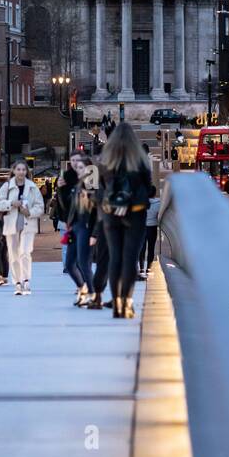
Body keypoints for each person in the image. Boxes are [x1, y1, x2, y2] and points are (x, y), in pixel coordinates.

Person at [98, 122, 155, 319]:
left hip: (111, 213)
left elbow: (101, 189)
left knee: (115, 257)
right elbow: (149, 187)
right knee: (130, 258)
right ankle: (127, 303)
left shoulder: (105, 160)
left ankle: (116, 304)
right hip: (136, 212)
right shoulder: (141, 160)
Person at [0, 160, 45, 295]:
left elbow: (40, 206)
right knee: (13, 254)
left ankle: (26, 280)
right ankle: (17, 282)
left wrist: (30, 212)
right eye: (18, 169)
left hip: (28, 224)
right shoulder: (7, 186)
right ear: (14, 171)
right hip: (12, 224)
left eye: (23, 170)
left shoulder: (33, 187)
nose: (21, 172)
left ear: (26, 172)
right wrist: (11, 203)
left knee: (25, 252)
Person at [61, 151, 97, 306]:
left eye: (83, 167)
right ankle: (82, 288)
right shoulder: (76, 186)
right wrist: (61, 189)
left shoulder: (92, 188)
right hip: (75, 227)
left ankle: (92, 293)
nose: (79, 170)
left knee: (84, 262)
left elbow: (97, 212)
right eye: (78, 167)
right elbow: (66, 207)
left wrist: (94, 233)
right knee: (69, 264)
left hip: (86, 228)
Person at [137, 187, 161, 280]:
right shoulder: (158, 203)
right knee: (151, 249)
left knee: (142, 249)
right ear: (154, 194)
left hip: (142, 228)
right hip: (152, 228)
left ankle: (141, 269)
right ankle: (148, 270)